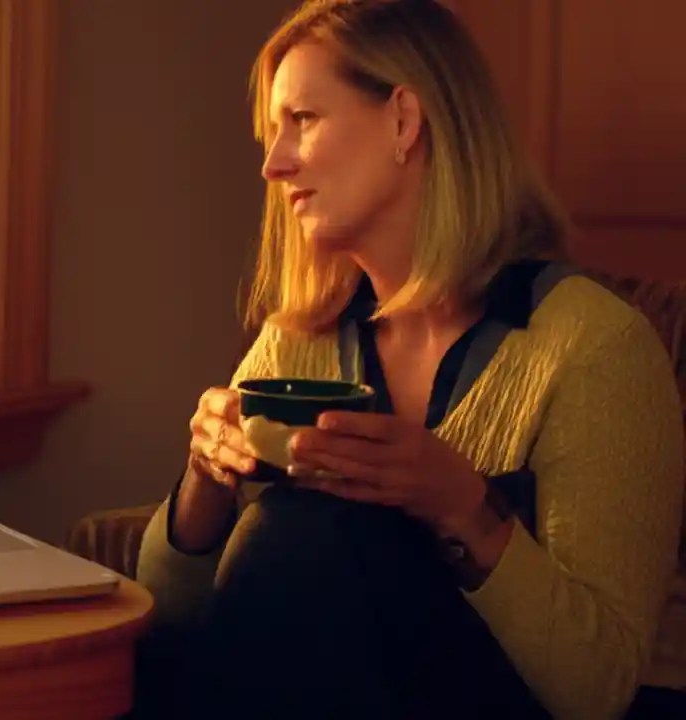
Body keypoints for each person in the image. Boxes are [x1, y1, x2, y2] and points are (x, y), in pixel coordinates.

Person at [133, 1, 684, 718]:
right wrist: (205, 480)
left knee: (296, 531)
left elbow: (596, 689)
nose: (273, 164)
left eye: (302, 120)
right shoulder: (304, 337)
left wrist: (461, 505)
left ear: (403, 120)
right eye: (274, 133)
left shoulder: (593, 347)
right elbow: (167, 616)